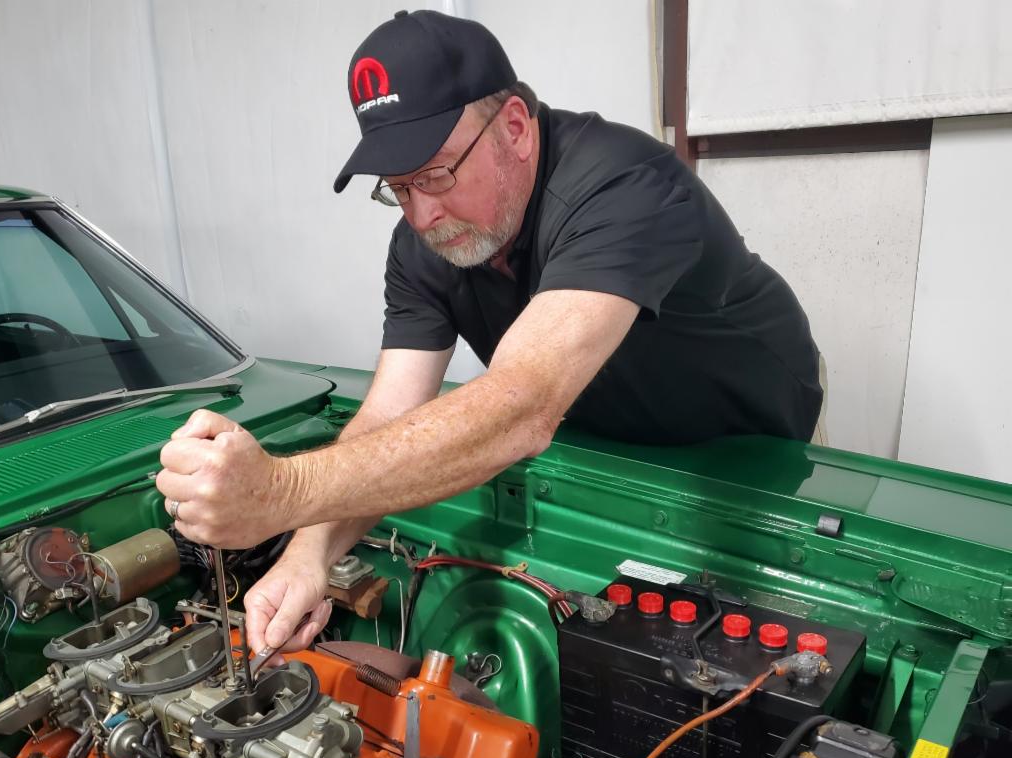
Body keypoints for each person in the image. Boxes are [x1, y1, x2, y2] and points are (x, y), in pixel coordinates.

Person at [156, 10, 822, 657]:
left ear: (515, 129)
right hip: (603, 425)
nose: (422, 214)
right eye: (398, 187)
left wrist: (278, 494)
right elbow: (389, 412)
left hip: (747, 442)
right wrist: (308, 553)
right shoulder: (425, 244)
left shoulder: (625, 186)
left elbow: (523, 406)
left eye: (437, 174)